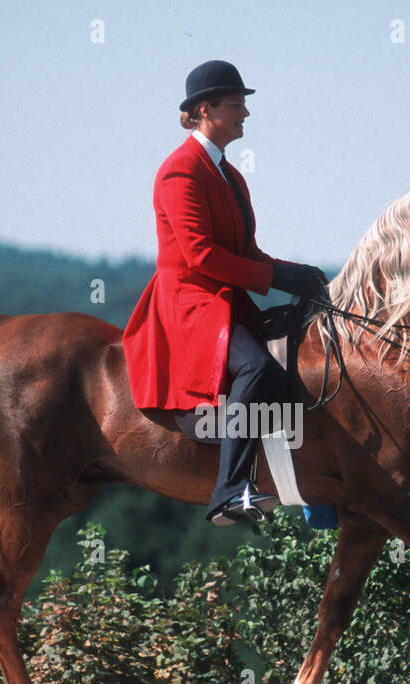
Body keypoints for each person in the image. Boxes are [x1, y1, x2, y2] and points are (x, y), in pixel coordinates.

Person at [122, 60, 329, 525]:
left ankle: (312, 482)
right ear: (205, 109)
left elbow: (247, 251)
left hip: (226, 302)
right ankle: (229, 490)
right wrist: (277, 280)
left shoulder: (231, 176)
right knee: (256, 368)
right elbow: (200, 256)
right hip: (190, 302)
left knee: (292, 361)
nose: (245, 115)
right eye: (236, 105)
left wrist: (300, 274)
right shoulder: (179, 171)